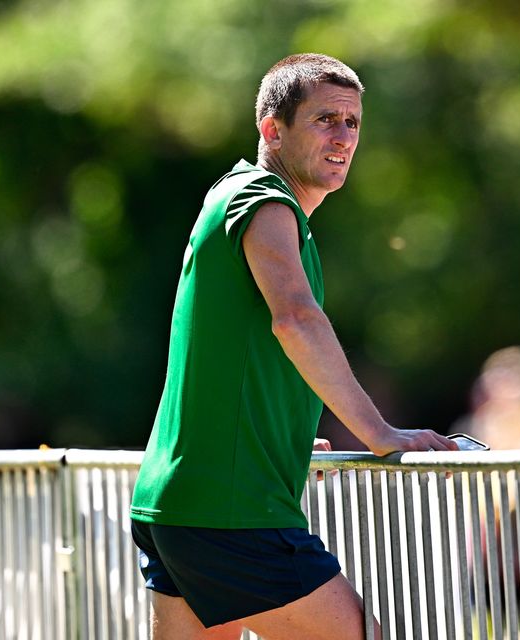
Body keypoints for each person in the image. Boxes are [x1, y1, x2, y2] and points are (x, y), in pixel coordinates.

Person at [129, 53, 457, 640]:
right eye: (325, 119)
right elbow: (296, 321)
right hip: (231, 511)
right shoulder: (265, 199)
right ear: (271, 130)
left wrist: (284, 430)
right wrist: (382, 434)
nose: (343, 136)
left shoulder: (230, 195)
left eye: (352, 122)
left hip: (175, 504)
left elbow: (240, 349)